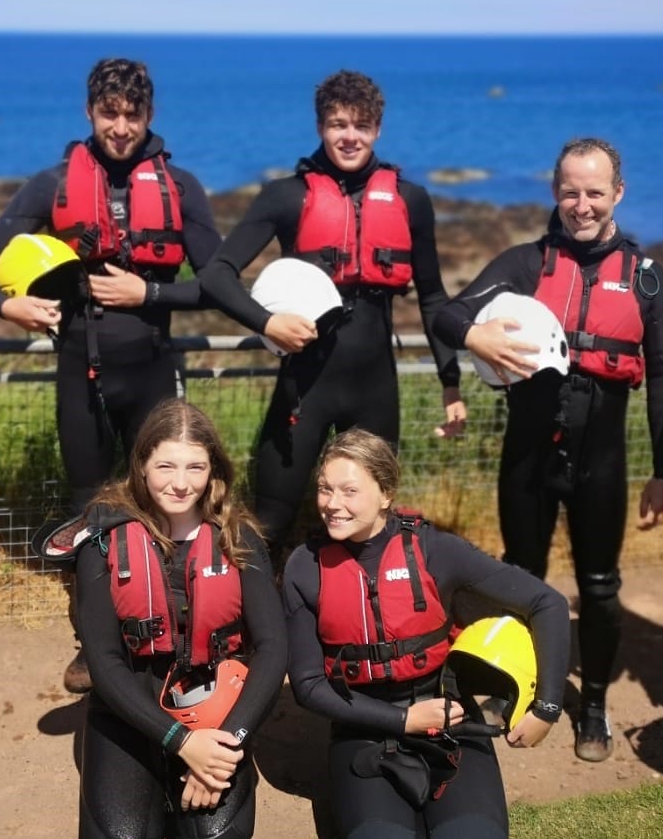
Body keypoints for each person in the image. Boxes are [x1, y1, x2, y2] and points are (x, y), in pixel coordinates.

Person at [0, 59, 220, 694]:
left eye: (133, 115)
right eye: (110, 113)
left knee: (171, 507)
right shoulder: (52, 184)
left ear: (149, 115)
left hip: (153, 376)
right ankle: (93, 645)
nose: (122, 127)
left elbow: (216, 283)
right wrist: (7, 306)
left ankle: (177, 638)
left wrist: (148, 290)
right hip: (80, 374)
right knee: (90, 514)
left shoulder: (180, 186)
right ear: (90, 113)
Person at [432, 137, 663, 763]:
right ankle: (514, 685)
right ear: (555, 192)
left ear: (617, 193)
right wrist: (477, 335)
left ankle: (591, 704)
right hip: (527, 456)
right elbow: (445, 313)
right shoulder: (525, 264)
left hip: (602, 460)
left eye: (595, 192)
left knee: (598, 588)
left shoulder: (648, 280)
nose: (582, 204)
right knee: (519, 576)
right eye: (570, 191)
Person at [283, 429, 569, 839]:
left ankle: (437, 817)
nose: (332, 503)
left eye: (349, 490)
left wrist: (546, 708)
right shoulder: (304, 567)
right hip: (363, 726)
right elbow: (309, 687)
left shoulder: (436, 550)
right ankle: (394, 821)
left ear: (386, 494)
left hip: (450, 720)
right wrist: (401, 722)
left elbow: (548, 602)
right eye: (325, 489)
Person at [200, 70, 466, 562]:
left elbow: (433, 297)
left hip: (375, 388)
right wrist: (265, 322)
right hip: (305, 384)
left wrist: (451, 382)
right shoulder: (286, 195)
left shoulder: (410, 200)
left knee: (372, 526)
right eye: (338, 124)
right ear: (321, 125)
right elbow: (216, 274)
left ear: (378, 129)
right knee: (270, 524)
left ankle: (361, 634)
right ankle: (254, 633)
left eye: (361, 126)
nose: (349, 136)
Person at [71, 399, 285, 839]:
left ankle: (184, 784)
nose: (180, 482)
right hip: (129, 710)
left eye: (195, 466)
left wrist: (224, 749)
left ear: (213, 471)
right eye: (165, 464)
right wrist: (182, 744)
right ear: (142, 464)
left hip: (214, 711)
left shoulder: (239, 537)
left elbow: (274, 649)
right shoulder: (101, 539)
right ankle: (153, 781)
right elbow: (102, 661)